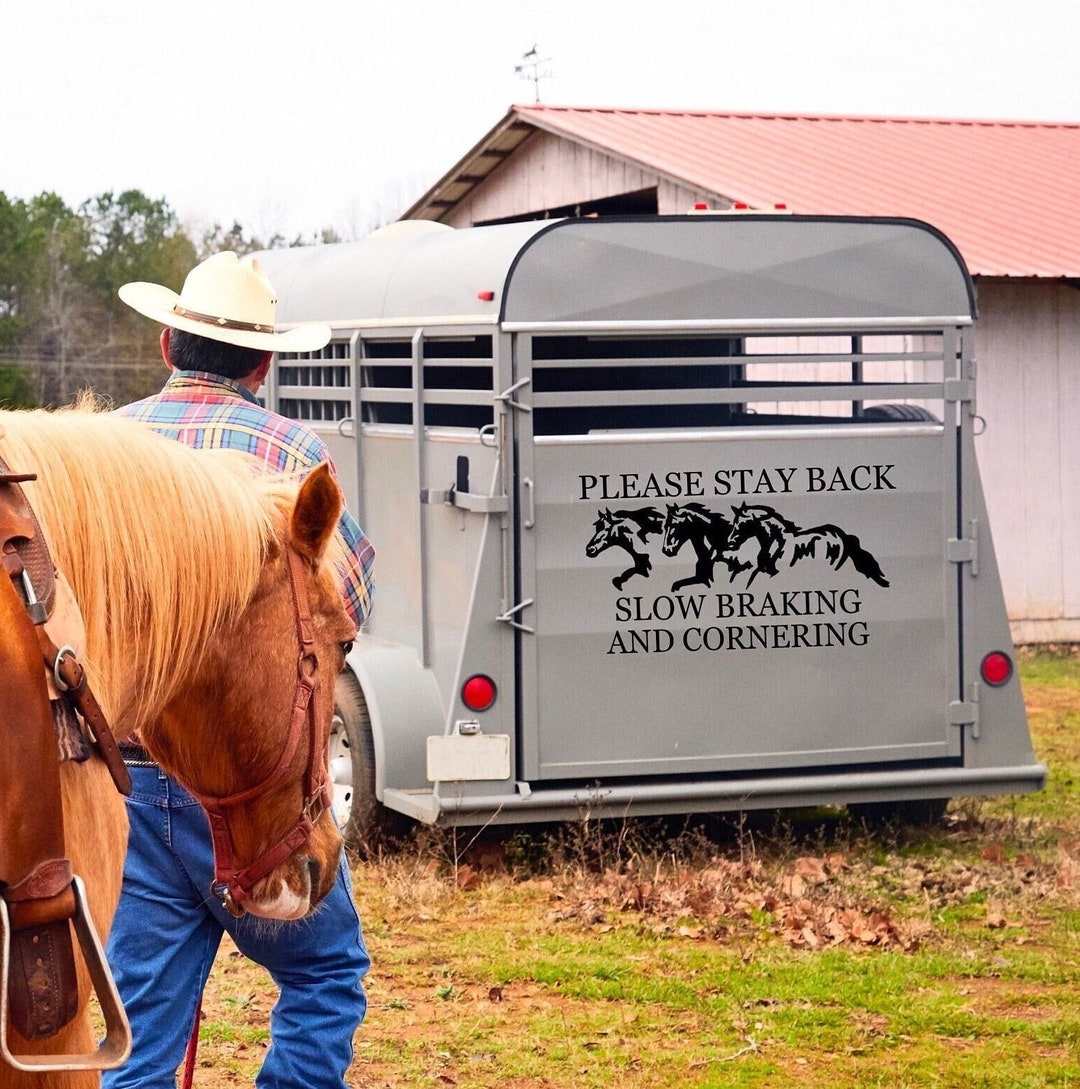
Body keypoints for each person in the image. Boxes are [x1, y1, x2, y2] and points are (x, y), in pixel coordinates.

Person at [104, 251, 374, 1089]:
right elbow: (348, 596)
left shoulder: (111, 450)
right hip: (253, 785)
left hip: (133, 785)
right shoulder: (292, 451)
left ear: (165, 343)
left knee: (138, 1032)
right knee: (325, 973)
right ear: (264, 361)